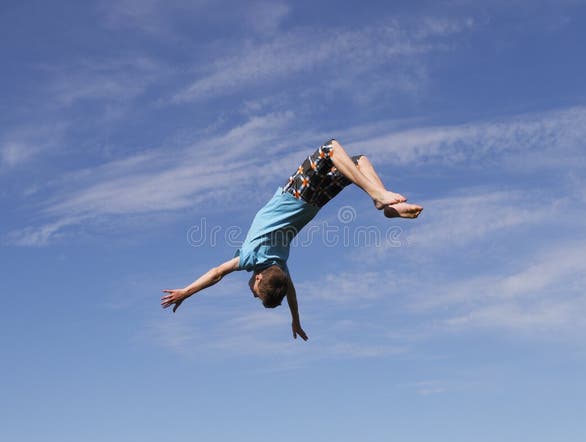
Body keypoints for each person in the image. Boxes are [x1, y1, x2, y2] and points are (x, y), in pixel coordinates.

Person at [161, 139, 422, 341]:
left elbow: (291, 292)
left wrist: (295, 319)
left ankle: (382, 201)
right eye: (255, 293)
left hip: (312, 205)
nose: (252, 291)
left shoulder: (281, 263)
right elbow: (217, 273)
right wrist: (187, 291)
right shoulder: (254, 259)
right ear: (260, 278)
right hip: (295, 195)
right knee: (330, 148)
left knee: (357, 161)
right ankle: (379, 197)